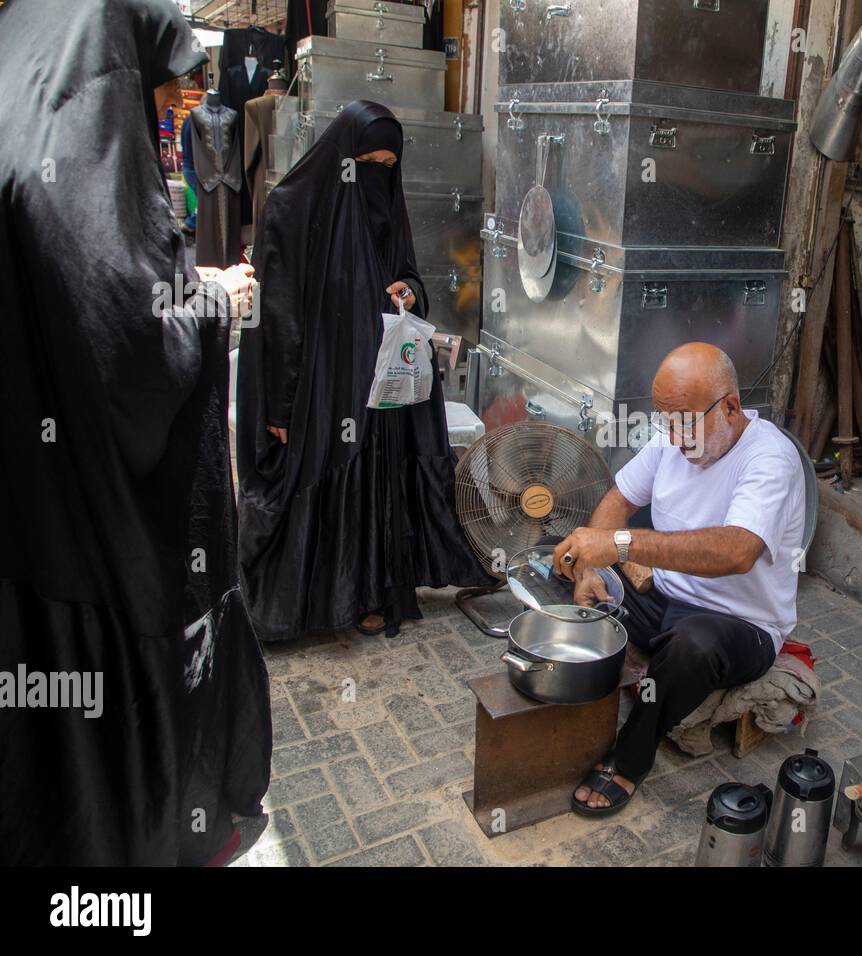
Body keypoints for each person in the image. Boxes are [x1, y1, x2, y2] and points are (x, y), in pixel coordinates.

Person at [0, 0, 272, 864]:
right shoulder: (75, 156)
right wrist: (212, 301)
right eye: (157, 100)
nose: (165, 116)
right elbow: (128, 350)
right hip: (92, 565)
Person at [237, 100, 492, 642]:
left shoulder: (384, 209)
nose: (377, 176)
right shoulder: (292, 208)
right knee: (328, 481)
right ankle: (316, 599)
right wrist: (280, 408)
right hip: (322, 390)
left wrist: (410, 291)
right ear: (342, 156)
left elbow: (407, 273)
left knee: (375, 483)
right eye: (366, 163)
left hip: (381, 384)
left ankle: (371, 592)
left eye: (387, 166)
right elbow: (277, 318)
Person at [553, 343, 807, 815]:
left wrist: (623, 546)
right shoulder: (672, 436)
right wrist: (591, 565)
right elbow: (619, 501)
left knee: (693, 647)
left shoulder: (770, 458)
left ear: (731, 406)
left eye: (685, 421)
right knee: (568, 565)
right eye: (665, 420)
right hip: (663, 595)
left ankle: (630, 756)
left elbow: (737, 551)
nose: (675, 435)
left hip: (737, 625)